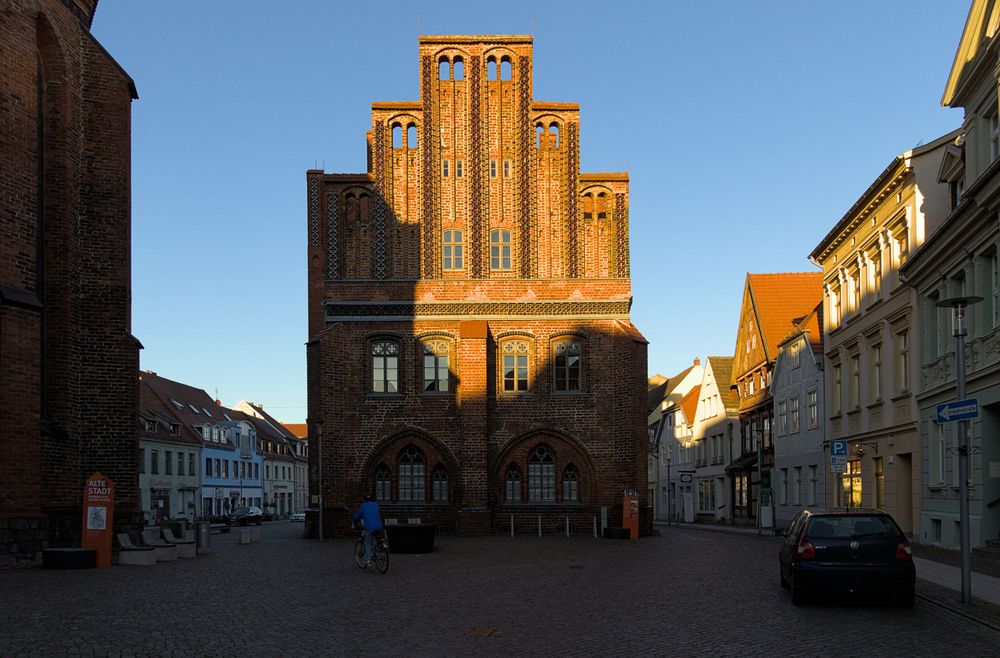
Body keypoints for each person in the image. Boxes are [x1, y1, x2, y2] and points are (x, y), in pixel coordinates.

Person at [352, 495, 383, 567]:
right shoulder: (376, 505)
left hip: (369, 527)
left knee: (367, 542)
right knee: (374, 539)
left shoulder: (363, 506)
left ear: (364, 500)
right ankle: (375, 553)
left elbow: (357, 516)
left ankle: (368, 560)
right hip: (379, 527)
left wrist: (354, 521)